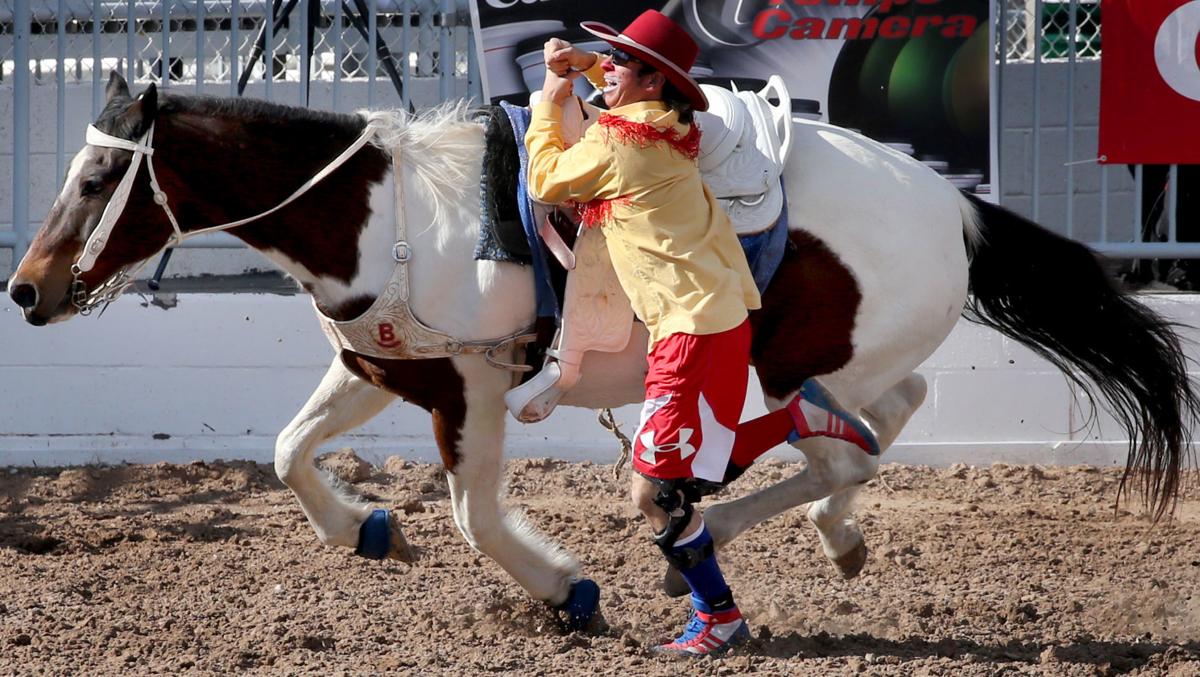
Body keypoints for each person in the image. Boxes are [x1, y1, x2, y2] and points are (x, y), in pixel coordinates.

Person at [525, 9, 880, 656]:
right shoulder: (668, 127)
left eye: (619, 62)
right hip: (719, 316)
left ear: (652, 81)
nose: (607, 68)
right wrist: (587, 72)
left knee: (656, 492)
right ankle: (795, 417)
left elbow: (544, 178)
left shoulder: (622, 141)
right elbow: (618, 107)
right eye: (606, 58)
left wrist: (551, 99)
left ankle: (719, 616)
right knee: (693, 478)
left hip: (686, 330)